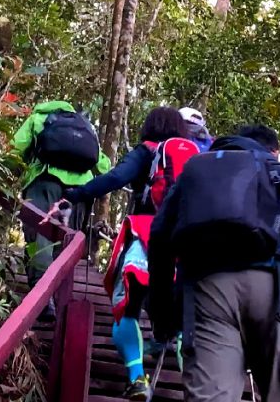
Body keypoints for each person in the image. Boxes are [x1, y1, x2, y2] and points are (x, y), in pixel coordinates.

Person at [148, 124, 280, 402]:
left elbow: (159, 236)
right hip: (275, 290)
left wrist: (162, 315)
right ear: (273, 151)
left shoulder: (194, 174)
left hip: (208, 289)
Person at [52, 106, 200, 400]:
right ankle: (196, 389)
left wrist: (74, 195)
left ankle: (137, 378)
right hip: (188, 246)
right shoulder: (197, 158)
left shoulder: (147, 151)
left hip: (146, 237)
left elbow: (116, 177)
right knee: (184, 323)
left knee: (126, 307)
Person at [10, 100, 110, 315]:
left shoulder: (39, 118)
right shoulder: (85, 125)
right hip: (80, 191)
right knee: (65, 243)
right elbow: (103, 165)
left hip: (44, 182)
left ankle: (42, 299)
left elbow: (16, 148)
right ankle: (58, 296)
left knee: (40, 237)